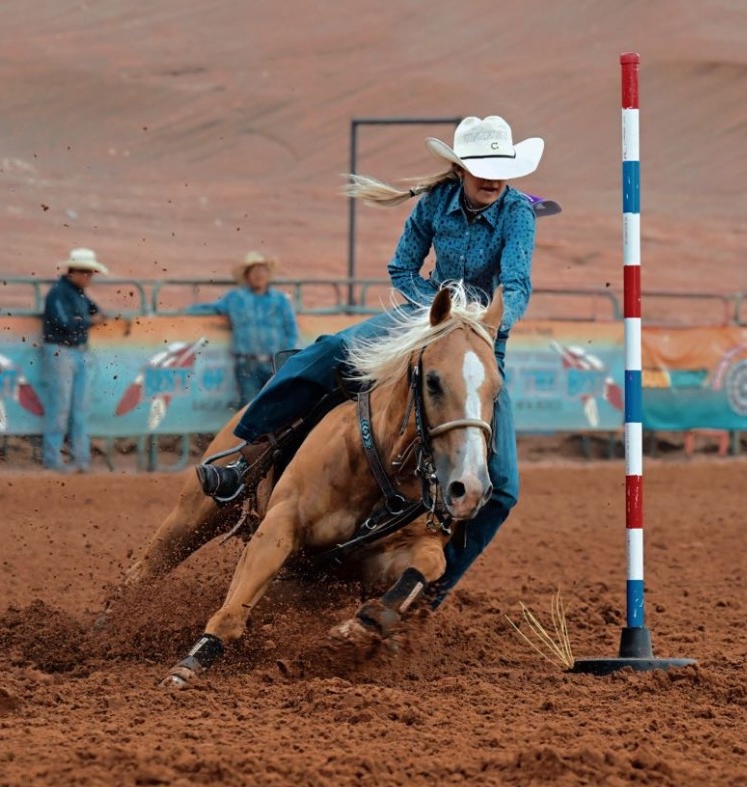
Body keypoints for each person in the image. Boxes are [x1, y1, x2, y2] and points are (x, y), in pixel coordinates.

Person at [197, 115, 543, 606]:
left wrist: (483, 323)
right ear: (461, 169)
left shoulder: (517, 214)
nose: (492, 177)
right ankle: (242, 458)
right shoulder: (435, 204)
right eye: (481, 166)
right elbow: (402, 266)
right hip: (422, 319)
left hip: (482, 339)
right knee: (327, 352)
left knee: (503, 489)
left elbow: (517, 283)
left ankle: (428, 592)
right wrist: (435, 307)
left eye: (500, 167)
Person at [188, 251, 299, 407]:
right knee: (249, 406)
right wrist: (183, 311)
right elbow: (211, 308)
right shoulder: (235, 298)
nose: (258, 275)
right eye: (254, 271)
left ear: (268, 274)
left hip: (274, 362)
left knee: (277, 406)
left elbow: (291, 331)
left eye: (262, 270)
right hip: (248, 363)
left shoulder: (280, 300)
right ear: (247, 276)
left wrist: (284, 358)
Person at [40, 247, 108, 473]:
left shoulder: (76, 293)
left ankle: (80, 460)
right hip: (62, 350)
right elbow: (64, 324)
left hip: (74, 351)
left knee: (78, 409)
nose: (89, 278)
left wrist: (88, 319)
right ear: (75, 272)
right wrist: (89, 321)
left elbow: (92, 312)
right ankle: (54, 460)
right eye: (87, 273)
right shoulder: (58, 293)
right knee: (61, 407)